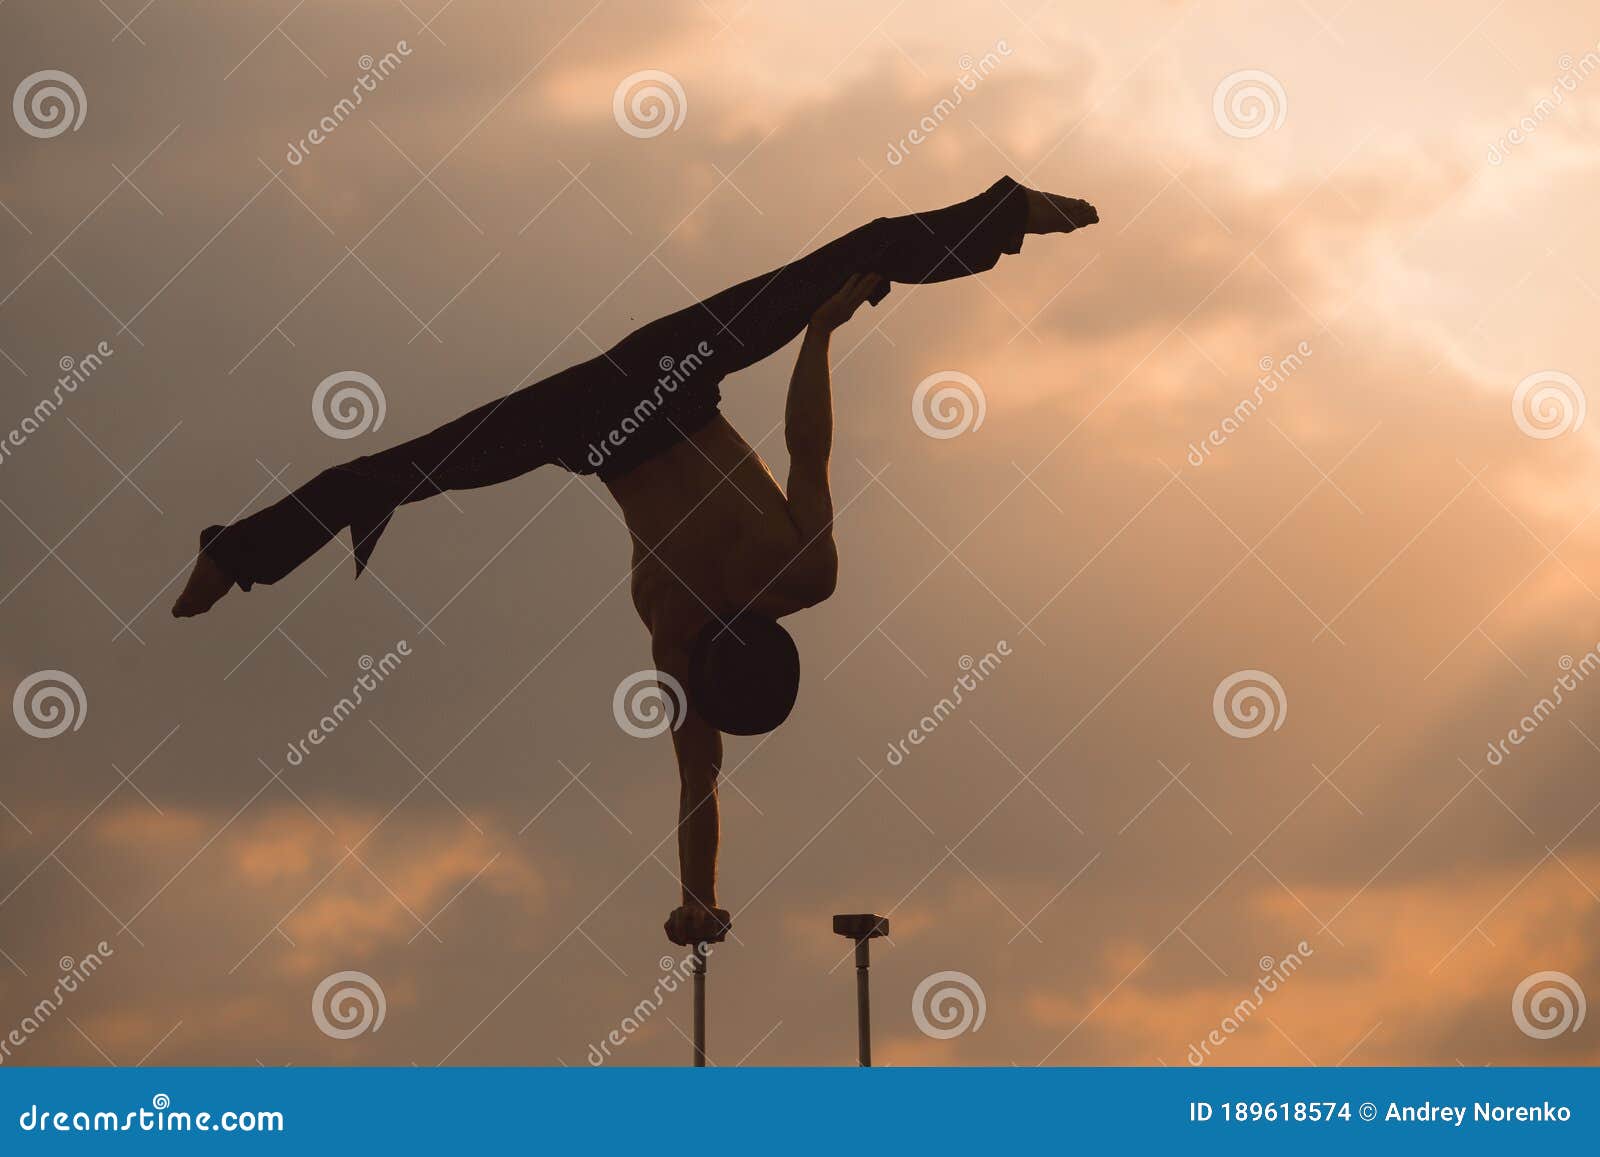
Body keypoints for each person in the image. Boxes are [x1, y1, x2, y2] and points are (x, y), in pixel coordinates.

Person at [173, 176, 1098, 945]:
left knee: (422, 463)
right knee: (420, 464)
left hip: (622, 407)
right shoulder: (740, 599)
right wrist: (815, 334)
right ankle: (1008, 212)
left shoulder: (733, 614)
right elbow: (808, 446)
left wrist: (700, 896)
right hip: (651, 392)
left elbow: (700, 784)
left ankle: (233, 554)